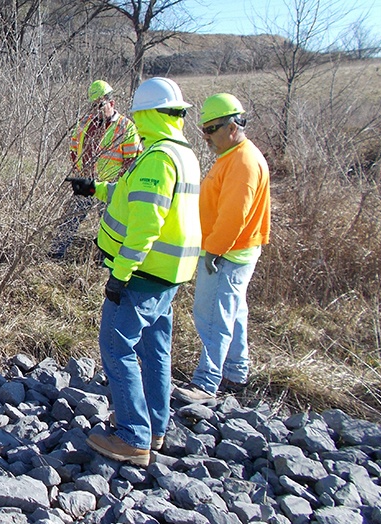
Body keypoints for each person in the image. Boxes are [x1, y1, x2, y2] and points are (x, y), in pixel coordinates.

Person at [68, 77, 202, 467]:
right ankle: (155, 427)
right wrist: (95, 189)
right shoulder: (181, 153)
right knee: (155, 350)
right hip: (169, 274)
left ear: (145, 113)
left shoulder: (157, 158)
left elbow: (146, 224)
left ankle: (132, 436)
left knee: (116, 345)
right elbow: (131, 194)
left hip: (143, 273)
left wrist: (120, 275)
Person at [172, 93, 271, 406]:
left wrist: (214, 250)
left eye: (211, 129)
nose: (206, 137)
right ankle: (235, 373)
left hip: (226, 254)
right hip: (233, 251)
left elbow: (234, 215)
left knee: (213, 316)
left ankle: (206, 382)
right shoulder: (233, 156)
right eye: (204, 130)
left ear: (233, 126)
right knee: (233, 312)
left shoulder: (243, 162)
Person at [48, 80, 142, 259]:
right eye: (92, 106)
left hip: (110, 187)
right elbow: (74, 148)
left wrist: (119, 185)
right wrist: (80, 172)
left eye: (99, 105)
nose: (95, 110)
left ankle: (105, 259)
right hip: (87, 182)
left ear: (111, 103)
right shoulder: (84, 123)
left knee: (111, 227)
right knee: (70, 219)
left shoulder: (126, 127)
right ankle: (55, 254)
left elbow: (133, 161)